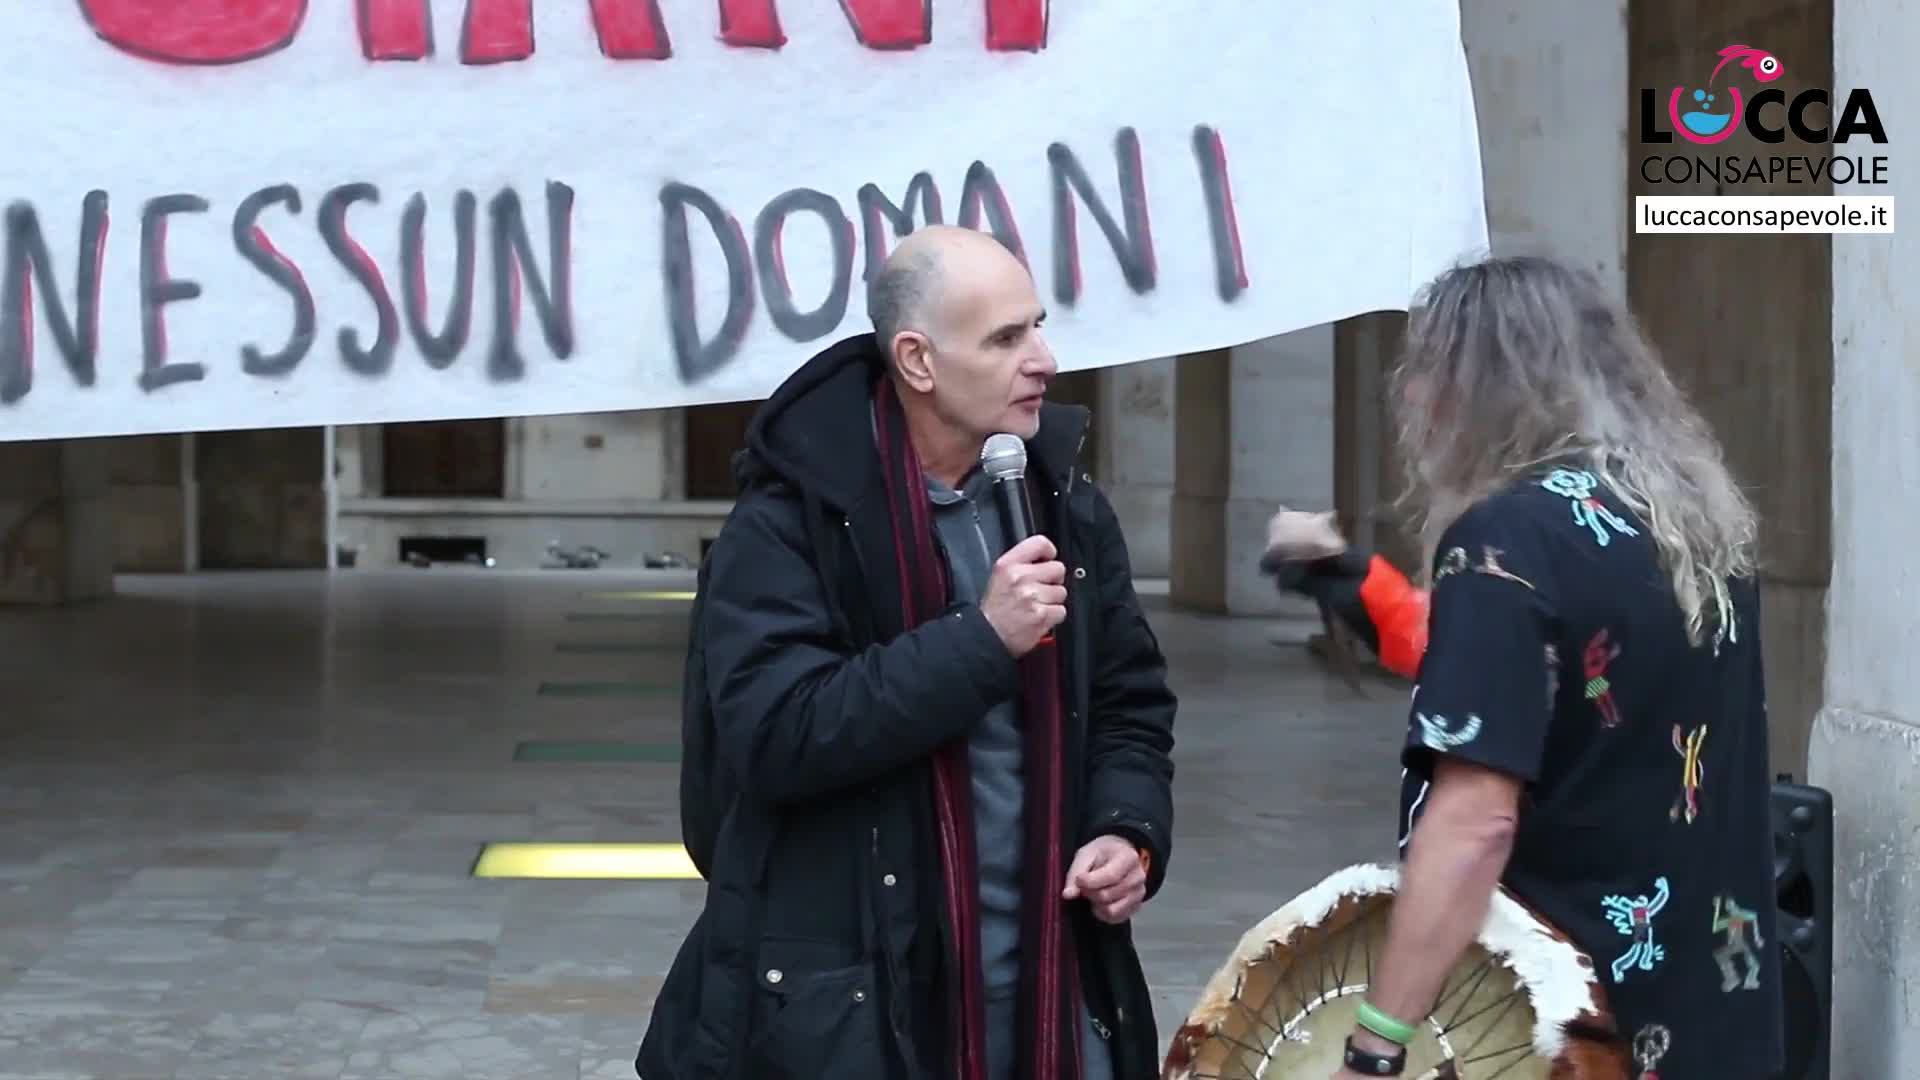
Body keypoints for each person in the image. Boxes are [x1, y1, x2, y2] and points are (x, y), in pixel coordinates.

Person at [637, 224, 1177, 1080]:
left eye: (1036, 326)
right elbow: (776, 734)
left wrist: (1128, 829)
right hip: (856, 1008)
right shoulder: (790, 523)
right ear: (918, 361)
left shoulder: (1065, 506)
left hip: (1052, 993)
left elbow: (1129, 707)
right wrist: (982, 639)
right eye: (1007, 338)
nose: (1043, 359)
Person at [1267, 255, 1784, 1080]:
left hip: (1569, 1023)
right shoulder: (1698, 524)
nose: (1406, 398)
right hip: (1716, 1006)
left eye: (1423, 372)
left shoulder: (1505, 543)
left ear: (1477, 389)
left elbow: (1476, 822)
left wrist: (1376, 1044)